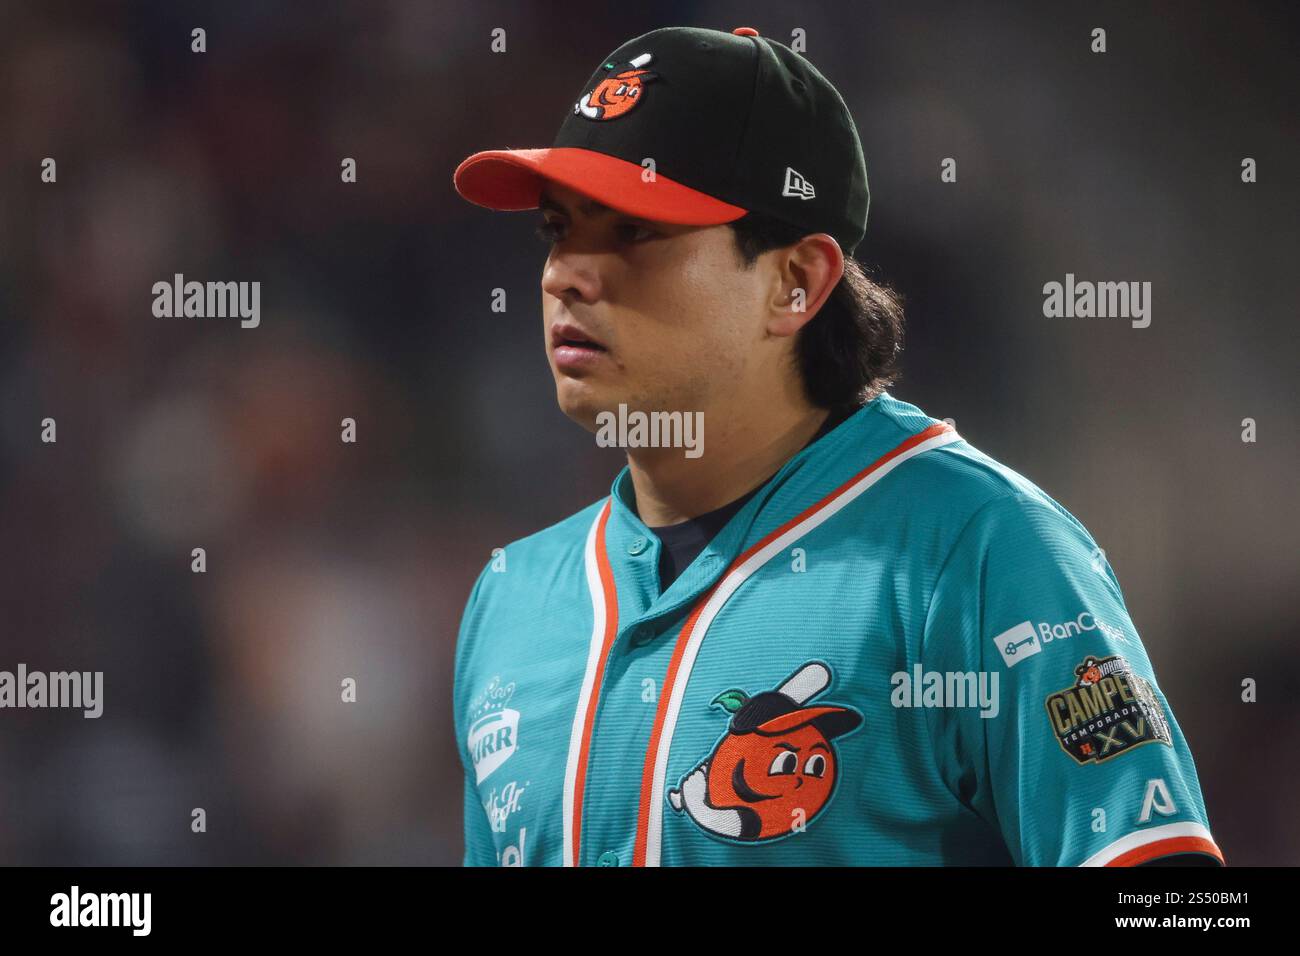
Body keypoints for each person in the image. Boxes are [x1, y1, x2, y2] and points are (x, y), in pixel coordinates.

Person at [449, 25, 1223, 866]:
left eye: (635, 231)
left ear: (798, 282)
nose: (568, 273)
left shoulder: (978, 549)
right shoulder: (511, 598)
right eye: (557, 228)